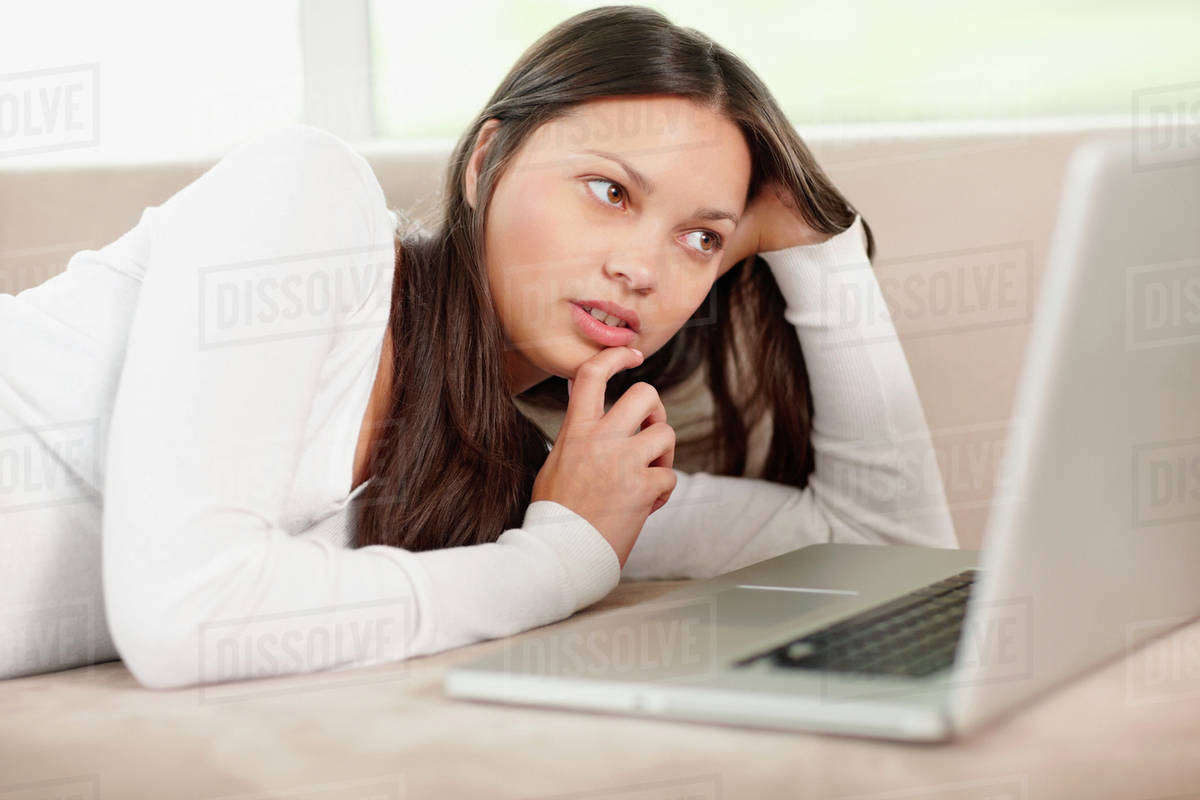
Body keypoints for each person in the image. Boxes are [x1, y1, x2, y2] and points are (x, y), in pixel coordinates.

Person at [0, 6, 955, 689]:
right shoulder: (304, 202)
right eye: (611, 191)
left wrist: (821, 250)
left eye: (700, 237)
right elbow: (185, 618)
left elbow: (895, 553)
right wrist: (564, 559)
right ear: (487, 162)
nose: (641, 268)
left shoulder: (550, 481)